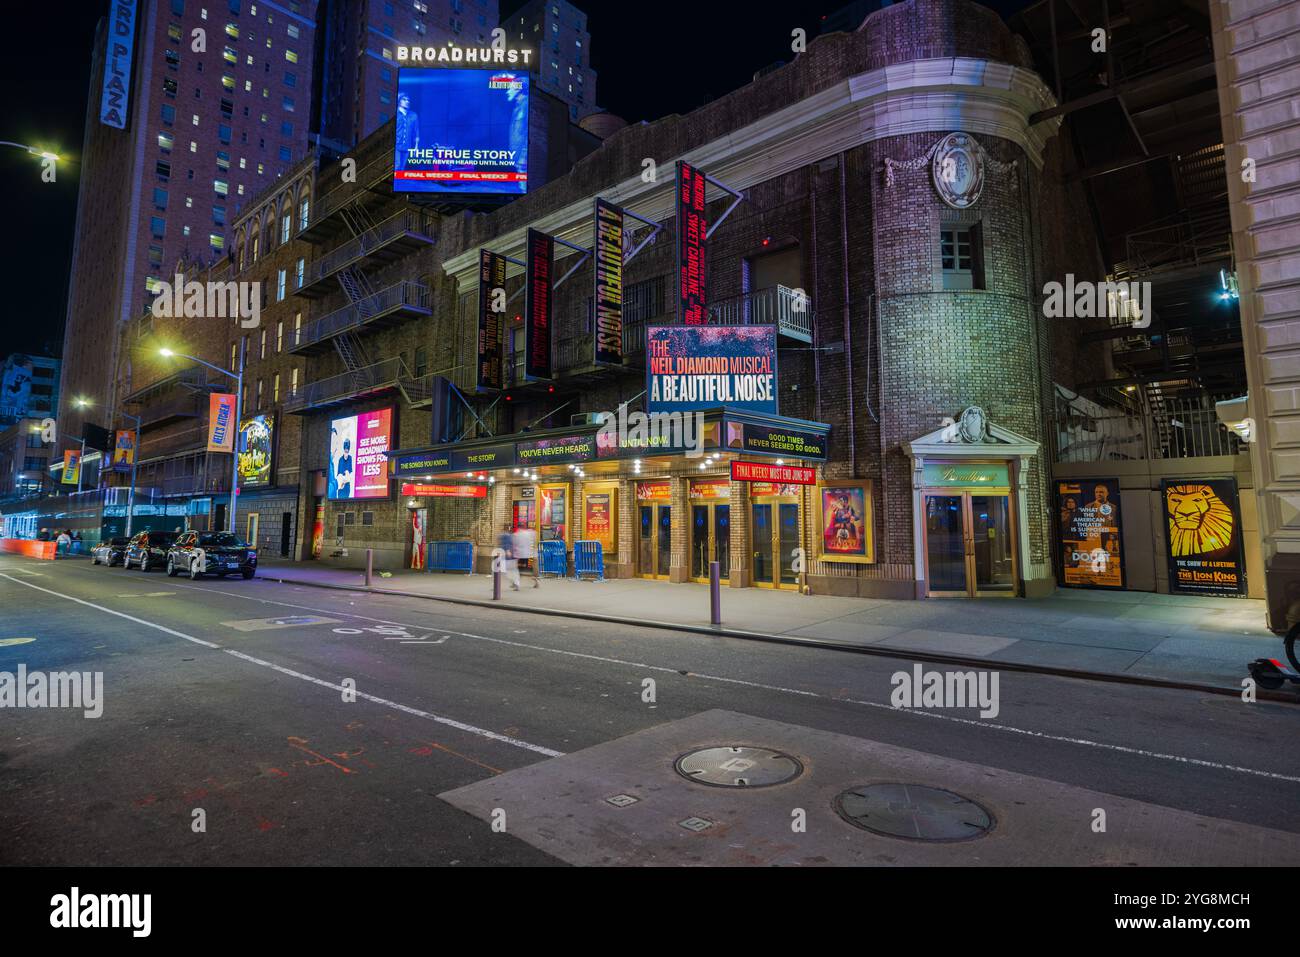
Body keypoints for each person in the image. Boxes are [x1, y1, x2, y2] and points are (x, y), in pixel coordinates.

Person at [512, 524, 539, 589]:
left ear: (518, 527)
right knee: (531, 569)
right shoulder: (530, 533)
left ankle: (516, 584)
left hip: (521, 555)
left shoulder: (516, 535)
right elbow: (534, 543)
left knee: (519, 570)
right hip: (530, 556)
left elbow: (514, 545)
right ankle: (536, 582)